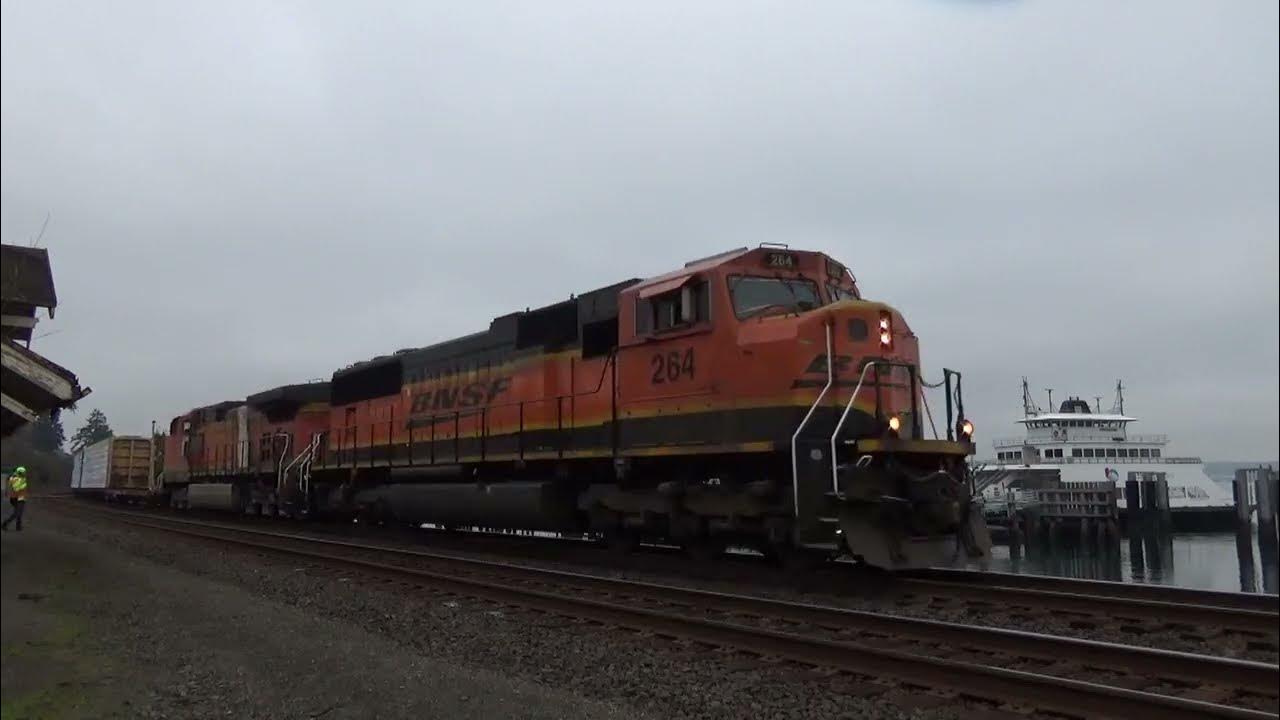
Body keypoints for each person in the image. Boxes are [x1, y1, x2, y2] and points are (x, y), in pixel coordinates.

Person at [2, 465, 29, 531]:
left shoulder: (18, 478)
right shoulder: (16, 479)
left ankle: (18, 526)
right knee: (17, 513)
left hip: (18, 498)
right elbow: (17, 488)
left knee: (19, 512)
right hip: (17, 498)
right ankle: (4, 524)